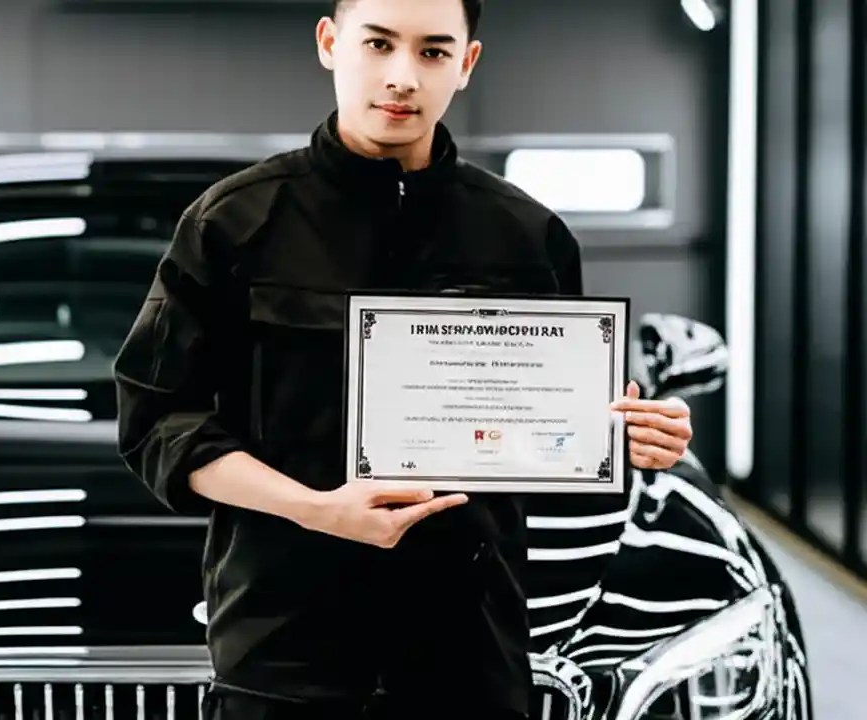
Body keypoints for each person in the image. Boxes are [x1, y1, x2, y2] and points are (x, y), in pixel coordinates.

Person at [113, 0, 694, 717]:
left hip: (467, 656)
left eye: (432, 52)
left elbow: (546, 444)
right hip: (286, 654)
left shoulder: (523, 235)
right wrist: (317, 510)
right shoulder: (233, 224)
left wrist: (626, 432)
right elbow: (157, 420)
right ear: (331, 43)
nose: (402, 77)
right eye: (379, 44)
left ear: (467, 63)